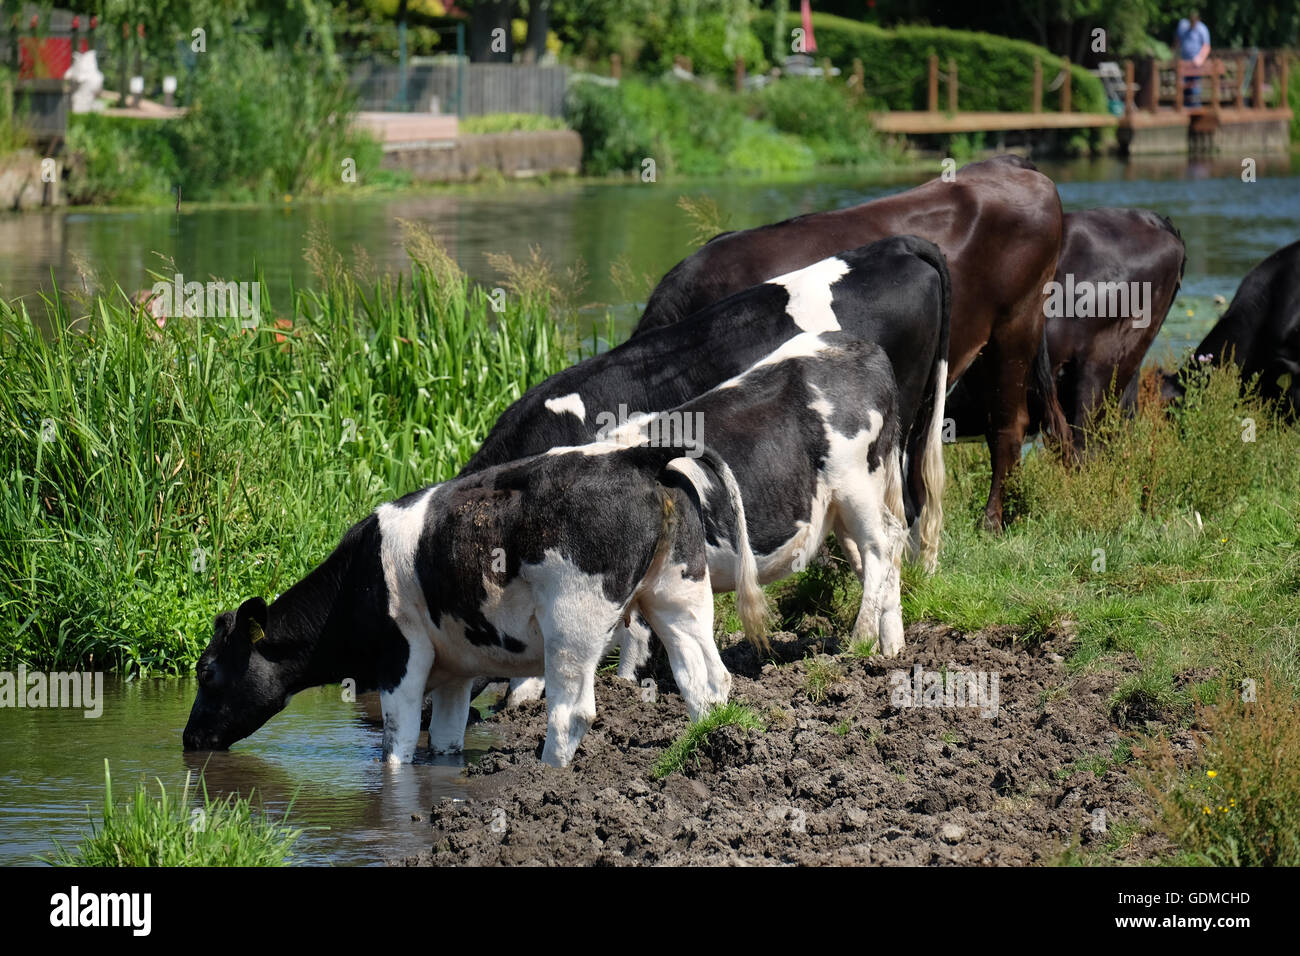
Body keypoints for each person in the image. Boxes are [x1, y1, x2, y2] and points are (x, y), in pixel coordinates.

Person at [1175, 10, 1211, 106]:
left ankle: (1195, 108)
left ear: (1198, 19)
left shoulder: (1202, 29)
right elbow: (1178, 42)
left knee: (1195, 87)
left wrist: (1200, 58)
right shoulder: (1184, 28)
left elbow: (1206, 46)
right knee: (1184, 87)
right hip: (1185, 63)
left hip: (1196, 65)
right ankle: (1185, 108)